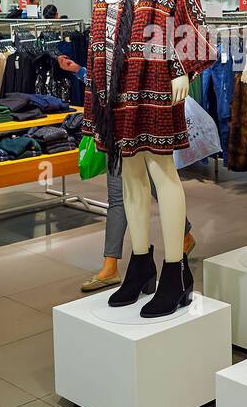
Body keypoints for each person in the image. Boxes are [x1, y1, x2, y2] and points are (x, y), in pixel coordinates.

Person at [58, 54, 195, 290]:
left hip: (144, 110)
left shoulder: (145, 22)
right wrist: (81, 71)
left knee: (153, 181)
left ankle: (163, 266)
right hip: (116, 117)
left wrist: (183, 70)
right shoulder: (106, 20)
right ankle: (128, 264)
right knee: (127, 190)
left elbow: (179, 41)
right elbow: (108, 67)